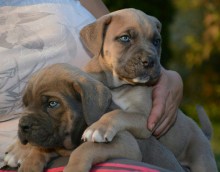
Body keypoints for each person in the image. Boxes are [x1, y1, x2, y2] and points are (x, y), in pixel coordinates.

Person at [0, 0, 182, 167]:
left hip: (127, 148)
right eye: (126, 39)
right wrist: (28, 141)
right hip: (45, 149)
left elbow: (126, 25)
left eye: (156, 41)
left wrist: (166, 75)